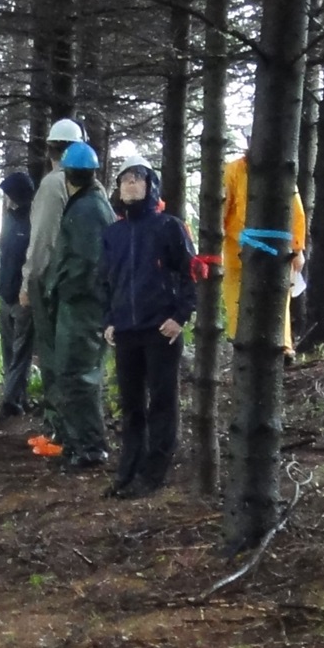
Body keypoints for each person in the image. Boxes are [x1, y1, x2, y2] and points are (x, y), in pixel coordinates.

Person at [99, 157, 196, 499]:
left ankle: (154, 472)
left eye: (137, 178)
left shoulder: (170, 227)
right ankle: (129, 469)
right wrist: (108, 321)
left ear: (150, 186)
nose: (129, 183)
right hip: (125, 330)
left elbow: (191, 273)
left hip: (160, 330)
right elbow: (106, 282)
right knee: (131, 404)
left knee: (162, 402)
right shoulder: (113, 234)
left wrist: (180, 316)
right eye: (124, 179)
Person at [41, 141, 114, 471]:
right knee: (74, 375)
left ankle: (90, 448)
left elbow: (86, 263)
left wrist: (63, 291)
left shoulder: (87, 209)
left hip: (83, 307)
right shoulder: (89, 204)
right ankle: (78, 444)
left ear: (68, 174)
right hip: (80, 304)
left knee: (78, 376)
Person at [23, 118, 87, 452]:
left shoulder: (52, 184)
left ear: (51, 150)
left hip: (50, 282)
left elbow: (42, 240)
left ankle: (57, 433)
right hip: (73, 284)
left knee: (53, 359)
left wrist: (29, 280)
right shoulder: (91, 186)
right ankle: (65, 430)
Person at [220, 148, 307, 357]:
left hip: (276, 251)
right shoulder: (232, 171)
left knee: (279, 297)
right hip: (237, 252)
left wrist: (297, 249)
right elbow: (220, 211)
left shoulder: (282, 173)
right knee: (237, 303)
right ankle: (241, 347)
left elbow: (296, 212)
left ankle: (283, 348)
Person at [0, 171, 38, 420]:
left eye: (9, 194)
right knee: (10, 350)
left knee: (21, 353)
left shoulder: (33, 221)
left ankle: (10, 402)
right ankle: (18, 398)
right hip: (6, 293)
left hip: (22, 297)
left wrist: (25, 290)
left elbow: (33, 259)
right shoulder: (10, 220)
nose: (7, 199)